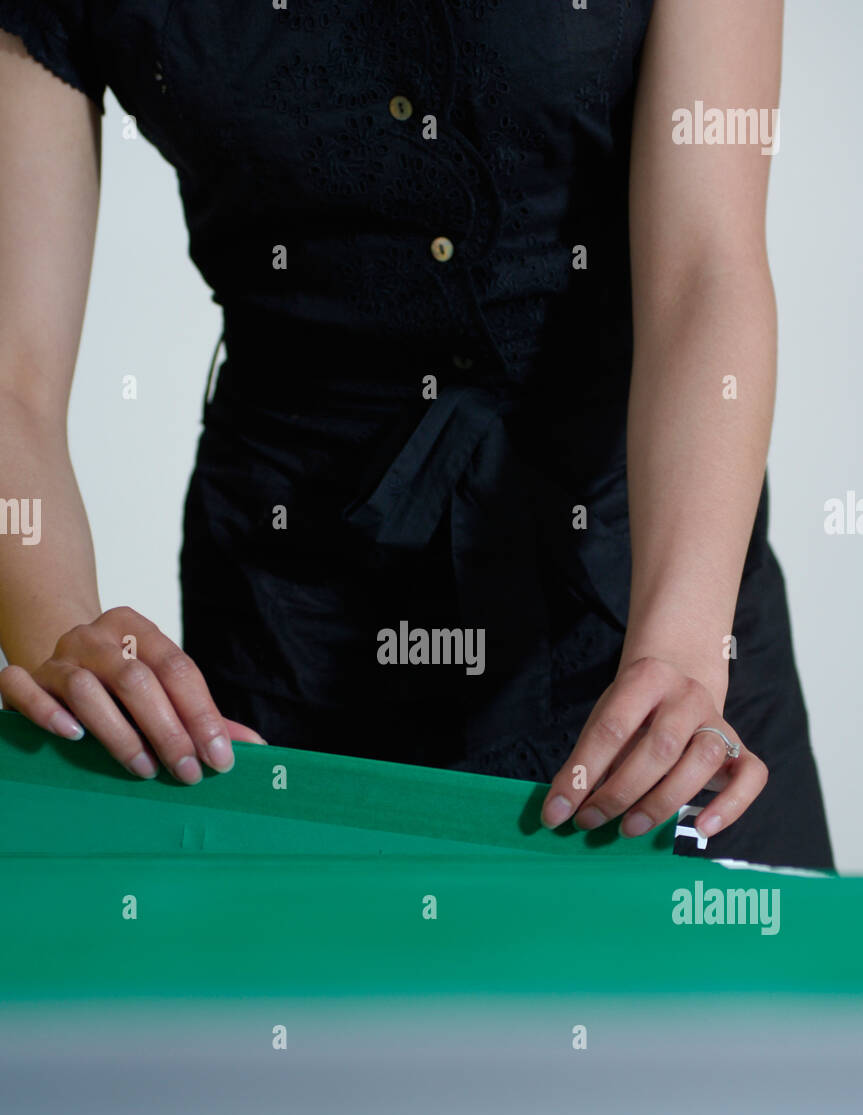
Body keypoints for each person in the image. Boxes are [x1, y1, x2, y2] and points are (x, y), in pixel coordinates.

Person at [0, 1, 834, 870]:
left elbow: (706, 269)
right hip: (286, 633)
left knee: (721, 1001)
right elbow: (10, 381)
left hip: (651, 602)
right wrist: (60, 633)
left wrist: (683, 647)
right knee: (313, 1002)